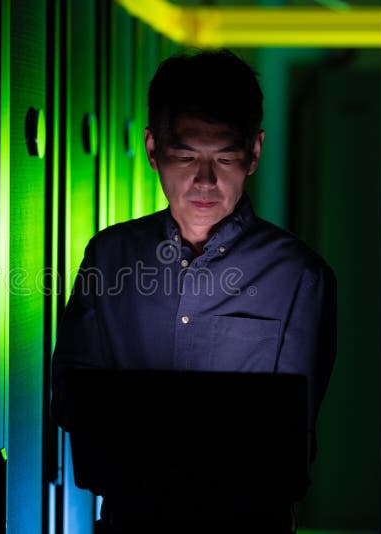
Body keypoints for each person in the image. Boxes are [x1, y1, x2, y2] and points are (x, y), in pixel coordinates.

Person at [51, 48, 337, 533]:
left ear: (255, 153)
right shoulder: (110, 256)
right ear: (152, 149)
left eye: (224, 158)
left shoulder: (298, 275)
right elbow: (72, 399)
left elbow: (292, 438)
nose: (205, 180)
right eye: (185, 156)